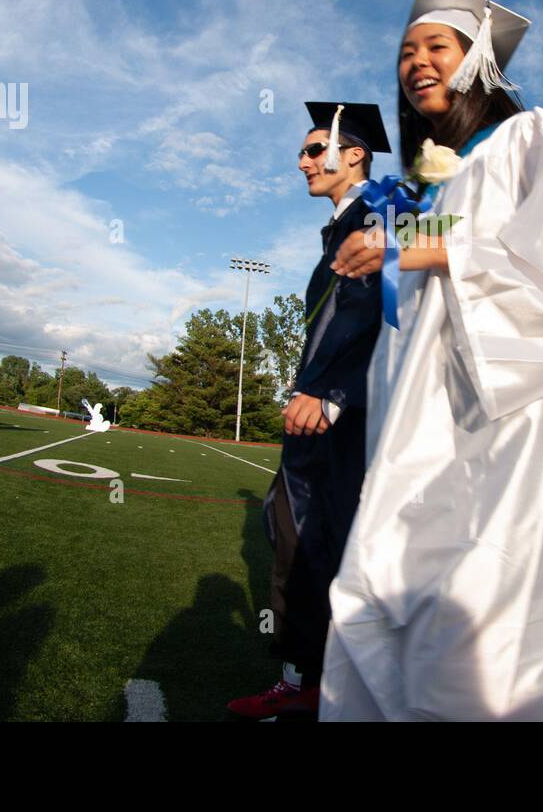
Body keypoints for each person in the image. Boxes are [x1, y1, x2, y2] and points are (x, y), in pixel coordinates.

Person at [321, 0, 543, 721]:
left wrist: (408, 243)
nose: (416, 62)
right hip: (426, 431)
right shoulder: (433, 180)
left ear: (478, 64)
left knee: (477, 634)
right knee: (386, 593)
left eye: (437, 45)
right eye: (405, 52)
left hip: (512, 432)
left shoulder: (533, 138)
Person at [227, 102, 391, 721]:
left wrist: (335, 393)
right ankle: (310, 678)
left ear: (354, 154)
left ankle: (326, 685)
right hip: (321, 418)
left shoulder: (384, 213)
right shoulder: (341, 229)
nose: (301, 161)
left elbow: (388, 320)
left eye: (314, 148)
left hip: (351, 418)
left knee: (331, 543)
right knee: (296, 531)